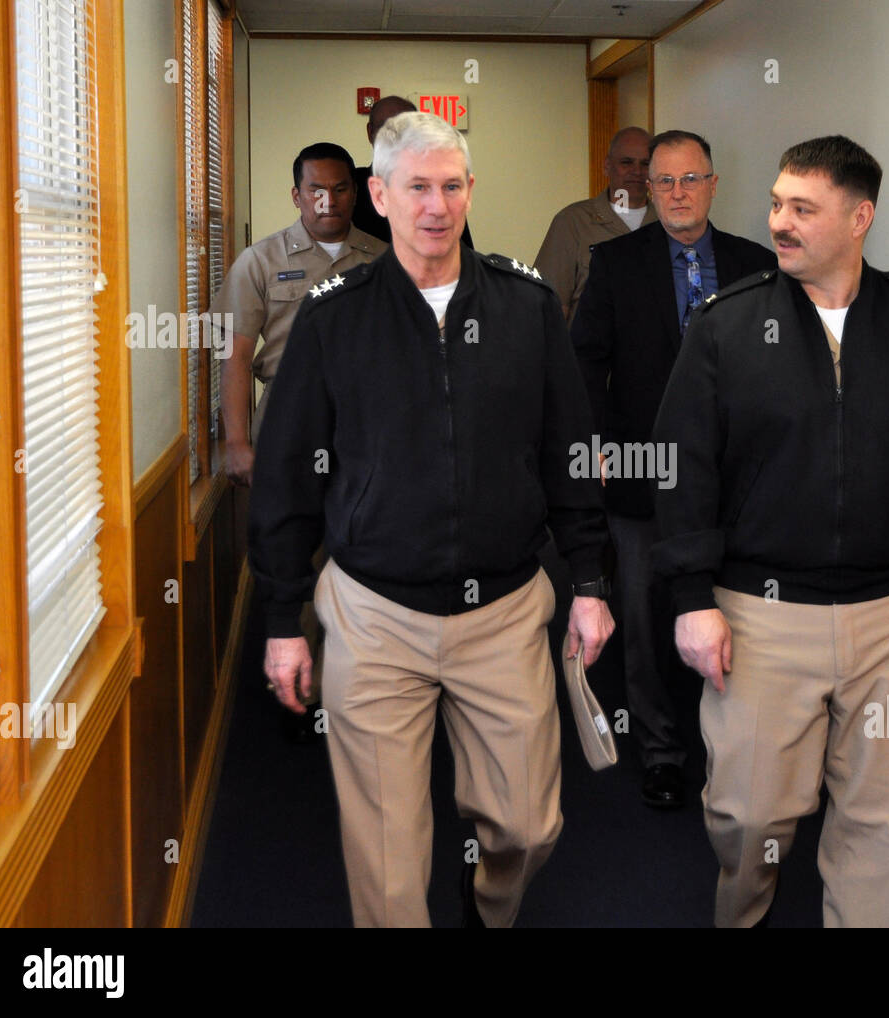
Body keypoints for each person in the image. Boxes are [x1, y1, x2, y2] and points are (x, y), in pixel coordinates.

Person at [248, 111, 615, 928]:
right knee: (386, 864)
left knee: (528, 827)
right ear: (380, 195)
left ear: (470, 191)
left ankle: (485, 905)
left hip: (507, 612)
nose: (436, 206)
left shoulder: (523, 308)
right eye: (416, 187)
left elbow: (568, 452)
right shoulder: (334, 316)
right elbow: (285, 479)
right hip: (375, 616)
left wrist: (588, 580)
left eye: (451, 186)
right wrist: (281, 616)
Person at [651, 134, 889, 927]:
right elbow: (682, 468)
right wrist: (690, 594)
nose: (778, 221)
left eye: (802, 209)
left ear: (861, 218)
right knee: (749, 820)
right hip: (758, 613)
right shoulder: (725, 325)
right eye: (778, 203)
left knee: (887, 826)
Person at [571, 130, 775, 809]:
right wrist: (595, 443)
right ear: (646, 188)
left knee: (734, 613)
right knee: (647, 614)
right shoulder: (615, 262)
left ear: (714, 184)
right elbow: (583, 363)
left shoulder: (757, 264)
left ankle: (731, 750)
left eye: (692, 179)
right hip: (641, 469)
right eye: (664, 181)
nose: (679, 193)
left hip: (735, 477)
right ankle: (660, 750)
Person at [214, 142, 386, 483]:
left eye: (340, 189)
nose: (329, 200)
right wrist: (235, 441)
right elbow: (235, 355)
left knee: (365, 532)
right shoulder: (261, 260)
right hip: (288, 416)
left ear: (355, 193)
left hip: (369, 420)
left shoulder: (386, 261)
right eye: (316, 190)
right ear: (297, 196)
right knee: (290, 531)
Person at [534, 126, 657, 323]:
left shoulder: (668, 223)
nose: (637, 171)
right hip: (587, 351)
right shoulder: (573, 222)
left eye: (645, 164)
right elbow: (549, 309)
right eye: (626, 162)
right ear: (607, 166)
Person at [353, 95, 473, 249]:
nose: (398, 139)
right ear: (370, 132)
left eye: (407, 130)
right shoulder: (352, 188)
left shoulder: (440, 188)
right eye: (387, 129)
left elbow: (462, 253)